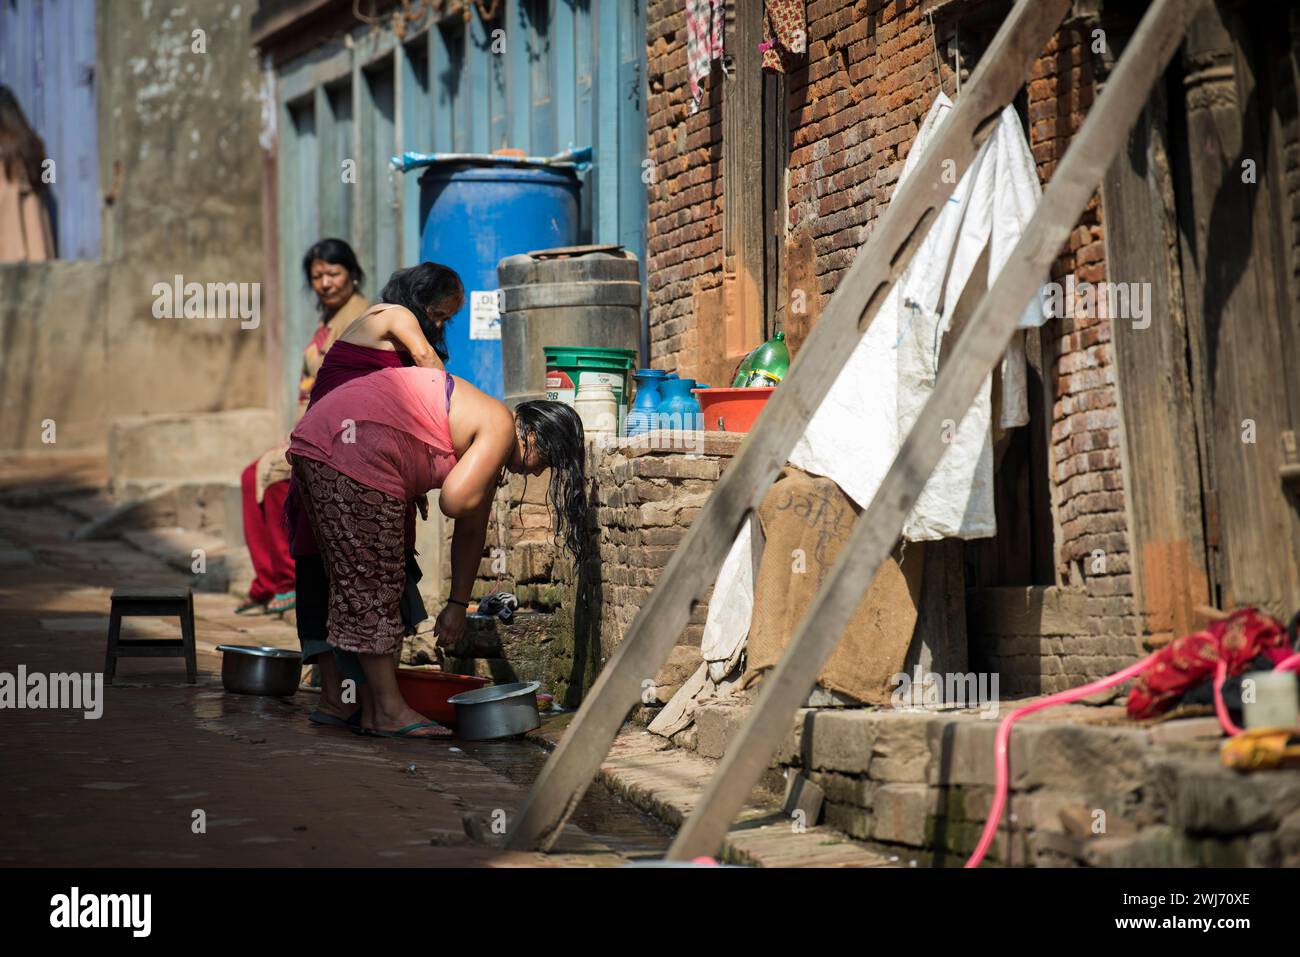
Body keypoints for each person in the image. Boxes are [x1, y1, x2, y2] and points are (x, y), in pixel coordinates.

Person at [288, 366, 588, 738]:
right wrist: (482, 478)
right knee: (375, 584)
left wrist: (457, 604)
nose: (538, 473)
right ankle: (387, 711)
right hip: (350, 450)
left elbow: (471, 529)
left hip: (323, 443)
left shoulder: (492, 426)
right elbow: (455, 501)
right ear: (535, 437)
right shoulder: (499, 428)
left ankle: (355, 704)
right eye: (545, 461)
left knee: (354, 584)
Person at [288, 263, 464, 728]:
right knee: (328, 574)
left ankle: (364, 701)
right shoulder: (391, 315)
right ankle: (340, 697)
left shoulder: (391, 331)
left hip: (371, 470)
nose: (442, 326)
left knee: (371, 575)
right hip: (337, 464)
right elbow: (432, 373)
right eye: (442, 316)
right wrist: (471, 419)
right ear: (423, 304)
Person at [237, 239, 368, 616]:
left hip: (340, 431)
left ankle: (286, 580)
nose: (326, 283)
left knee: (278, 479)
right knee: (251, 477)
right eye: (317, 276)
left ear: (352, 274)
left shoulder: (359, 318)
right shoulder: (328, 319)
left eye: (334, 273)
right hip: (312, 427)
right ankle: (267, 582)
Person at [0, 85, 54, 261]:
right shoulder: (37, 147)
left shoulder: (4, 154)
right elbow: (48, 184)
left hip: (9, 251)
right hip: (37, 244)